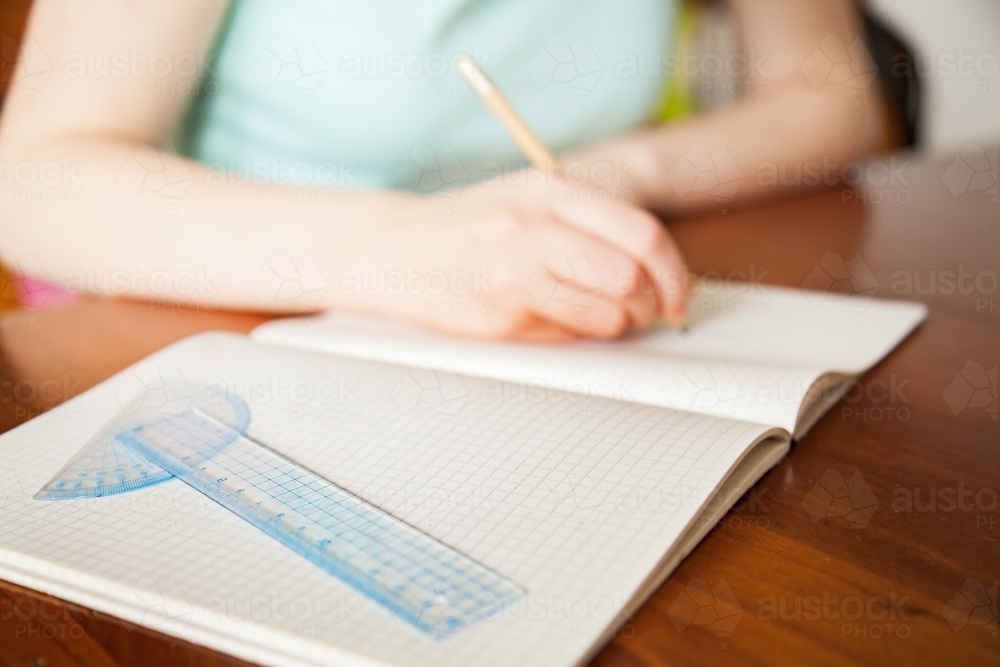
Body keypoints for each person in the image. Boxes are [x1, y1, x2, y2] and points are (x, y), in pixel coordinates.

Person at [0, 0, 894, 340]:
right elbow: (34, 179)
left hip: (540, 314)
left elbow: (833, 92)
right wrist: (410, 250)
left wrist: (608, 174)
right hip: (216, 312)